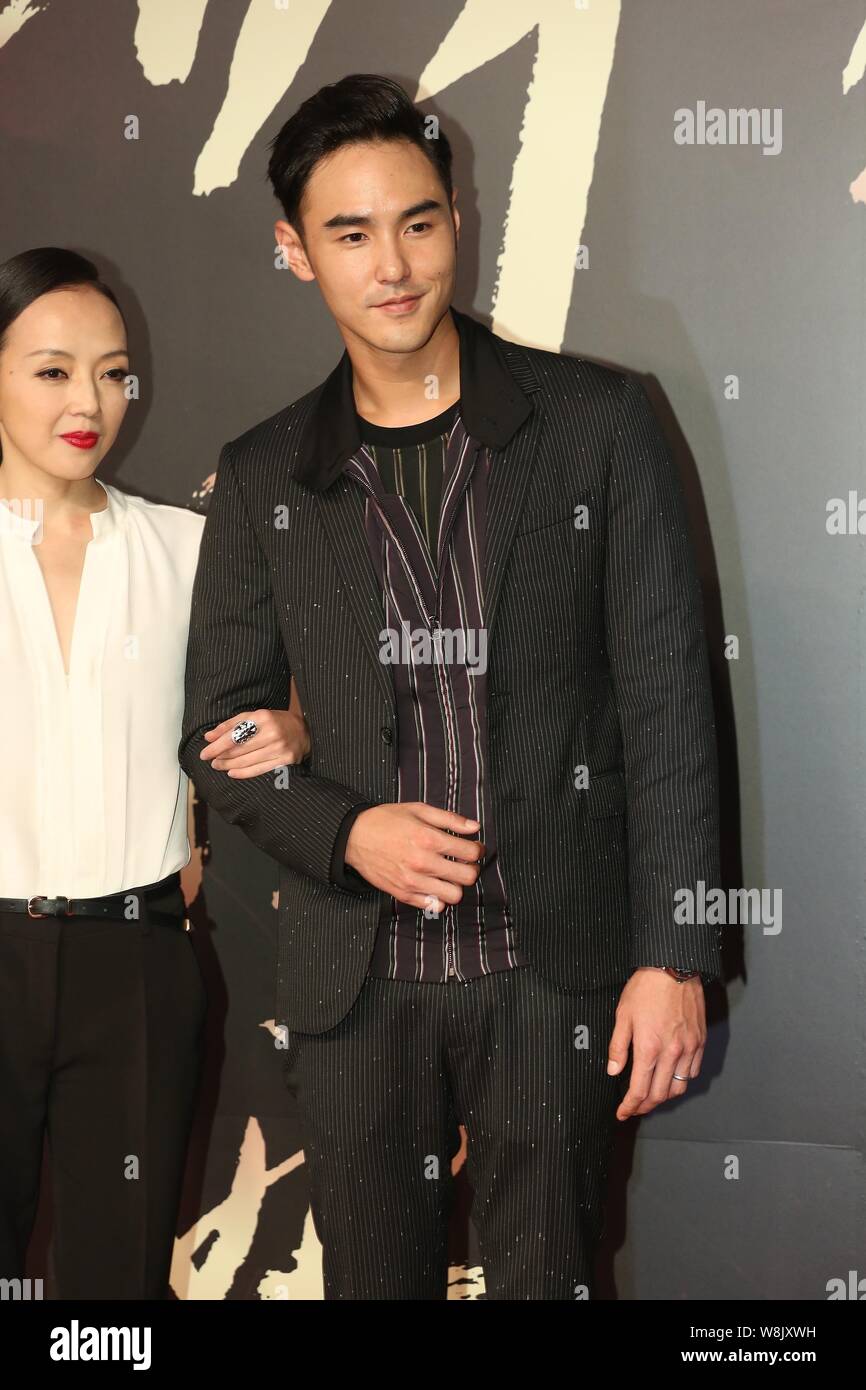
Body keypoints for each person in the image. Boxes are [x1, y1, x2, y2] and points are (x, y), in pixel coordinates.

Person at [180, 73, 723, 1301]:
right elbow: (218, 721)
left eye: (418, 222)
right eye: (350, 232)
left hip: (556, 970)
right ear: (293, 249)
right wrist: (344, 827)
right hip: (359, 986)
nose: (393, 263)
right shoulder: (264, 471)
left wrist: (675, 954)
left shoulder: (596, 423)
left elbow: (667, 700)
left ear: (455, 223)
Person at [0, 247, 308, 1300]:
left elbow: (286, 710)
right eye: (50, 370)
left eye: (112, 370)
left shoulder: (188, 548)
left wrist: (289, 734)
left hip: (135, 964)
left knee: (116, 1296)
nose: (89, 402)